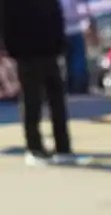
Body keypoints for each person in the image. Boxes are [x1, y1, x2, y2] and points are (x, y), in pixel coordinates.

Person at [1, 0, 80, 165]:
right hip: (30, 50)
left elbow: (56, 14)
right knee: (34, 100)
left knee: (52, 99)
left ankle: (61, 147)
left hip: (44, 48)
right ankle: (36, 148)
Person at [60, 0, 92, 94]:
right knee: (77, 60)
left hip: (61, 29)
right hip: (76, 29)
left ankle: (68, 85)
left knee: (65, 60)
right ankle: (78, 86)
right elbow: (83, 9)